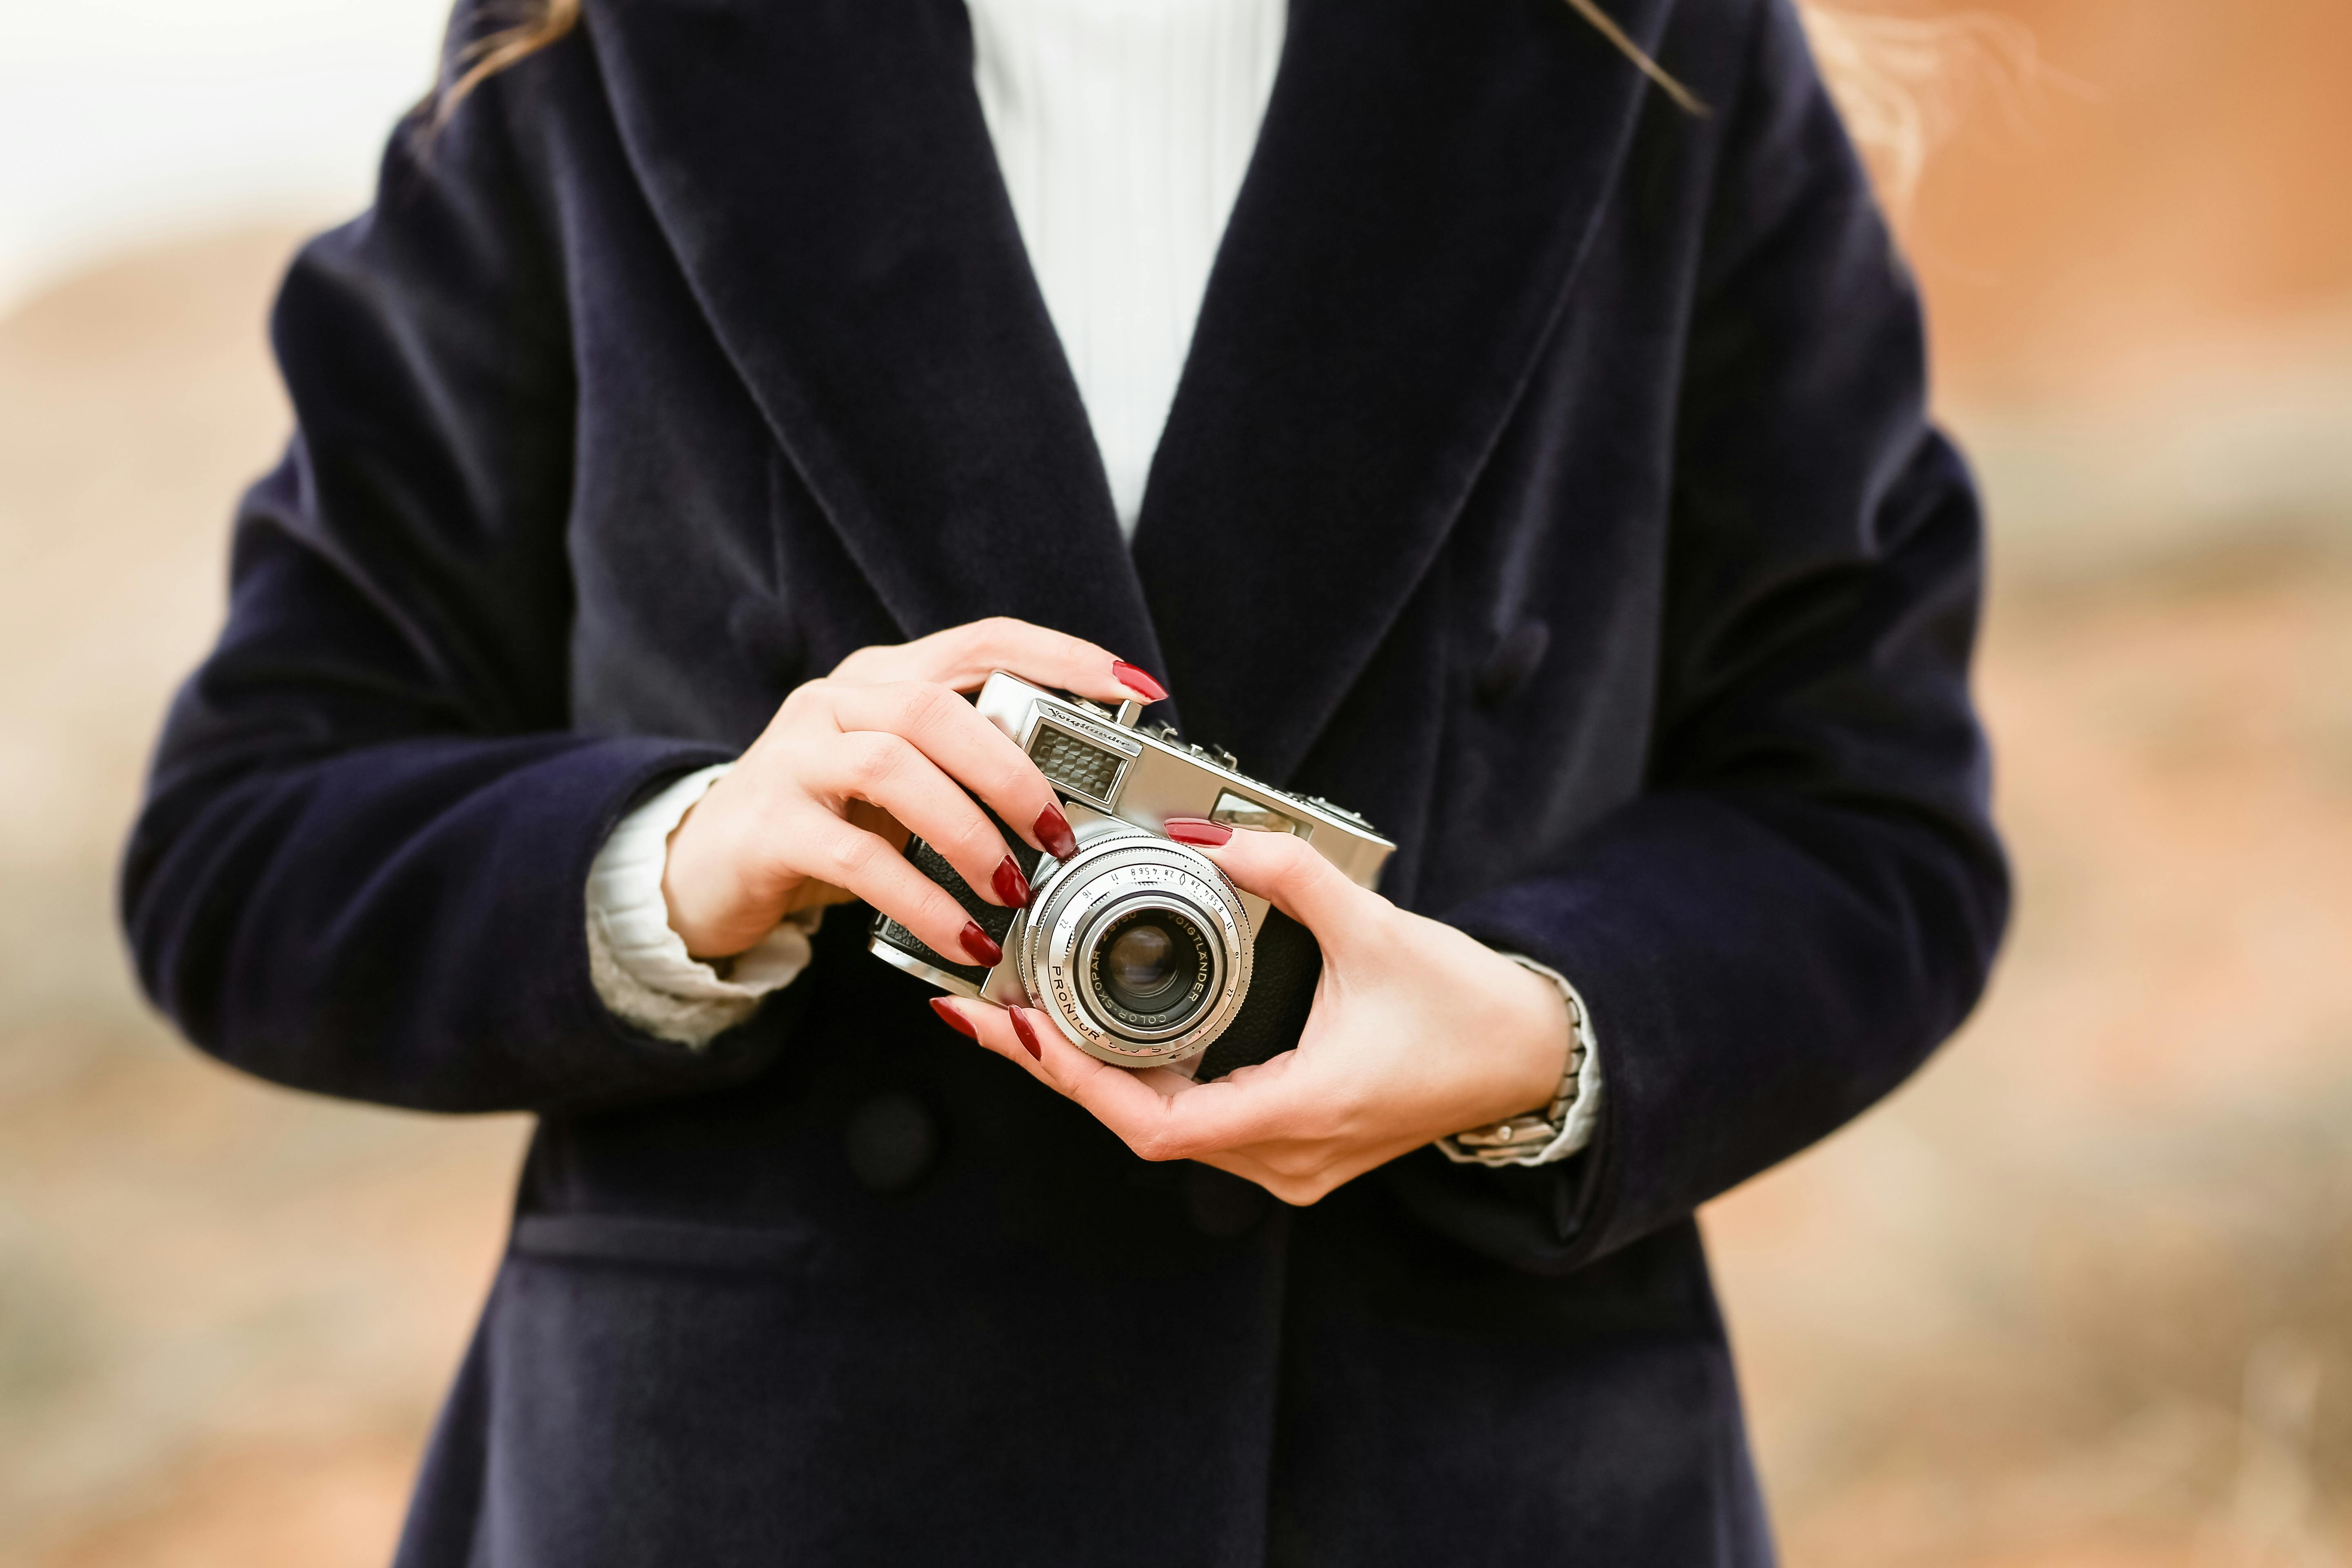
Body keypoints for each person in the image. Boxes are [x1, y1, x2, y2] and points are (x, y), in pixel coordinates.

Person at [120, 0, 2008, 1559]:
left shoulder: (1644, 47)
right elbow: (244, 841)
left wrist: (1541, 1037)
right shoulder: (599, 49)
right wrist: (688, 860)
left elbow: (1871, 812)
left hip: (1468, 1472)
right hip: (755, 1483)